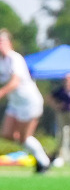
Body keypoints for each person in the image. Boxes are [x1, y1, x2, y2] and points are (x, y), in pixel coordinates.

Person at [0, 32, 50, 174]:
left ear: (9, 43)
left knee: (24, 138)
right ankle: (37, 150)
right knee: (7, 133)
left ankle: (44, 162)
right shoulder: (1, 61)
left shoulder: (15, 58)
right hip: (15, 103)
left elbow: (15, 82)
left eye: (2, 41)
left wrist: (2, 92)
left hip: (29, 102)